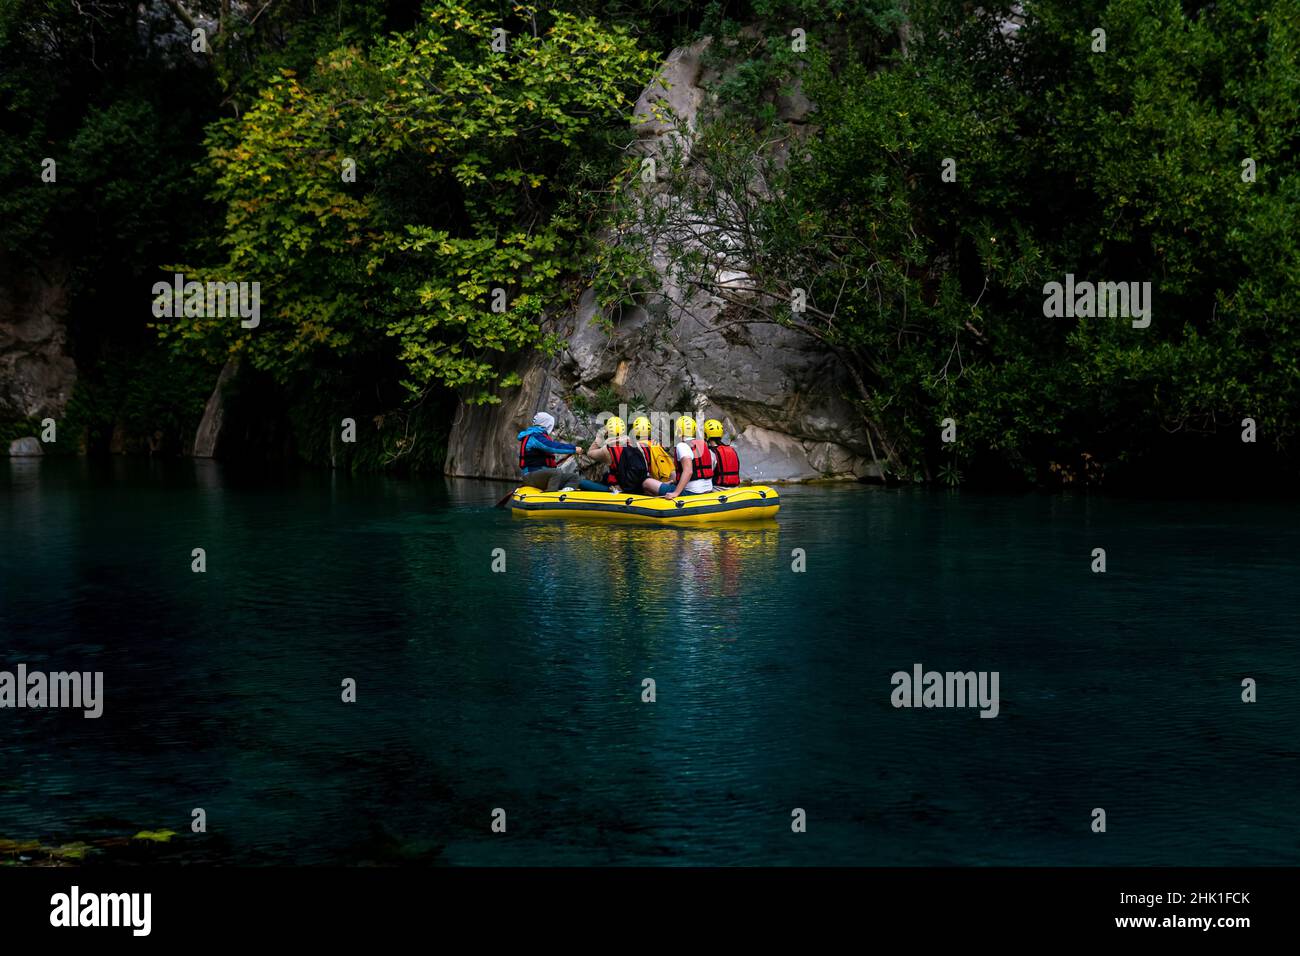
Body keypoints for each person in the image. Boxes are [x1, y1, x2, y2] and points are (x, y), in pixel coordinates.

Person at [516, 412, 583, 491]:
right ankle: (550, 495)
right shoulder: (534, 436)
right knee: (556, 472)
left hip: (544, 476)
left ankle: (566, 493)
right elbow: (551, 447)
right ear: (546, 424)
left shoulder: (539, 436)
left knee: (574, 477)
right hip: (531, 476)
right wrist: (573, 449)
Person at [576, 416, 632, 492]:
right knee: (605, 476)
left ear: (607, 431)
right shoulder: (633, 444)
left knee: (581, 482)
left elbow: (590, 453)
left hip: (619, 487)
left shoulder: (607, 449)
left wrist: (600, 436)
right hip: (633, 483)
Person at [667, 416, 715, 498]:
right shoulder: (703, 444)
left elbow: (688, 471)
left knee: (648, 483)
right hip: (708, 489)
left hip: (692, 492)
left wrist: (675, 493)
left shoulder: (682, 445)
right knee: (673, 474)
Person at [704, 418, 741, 488]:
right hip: (735, 489)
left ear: (706, 435)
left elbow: (707, 475)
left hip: (718, 489)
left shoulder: (710, 452)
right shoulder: (731, 449)